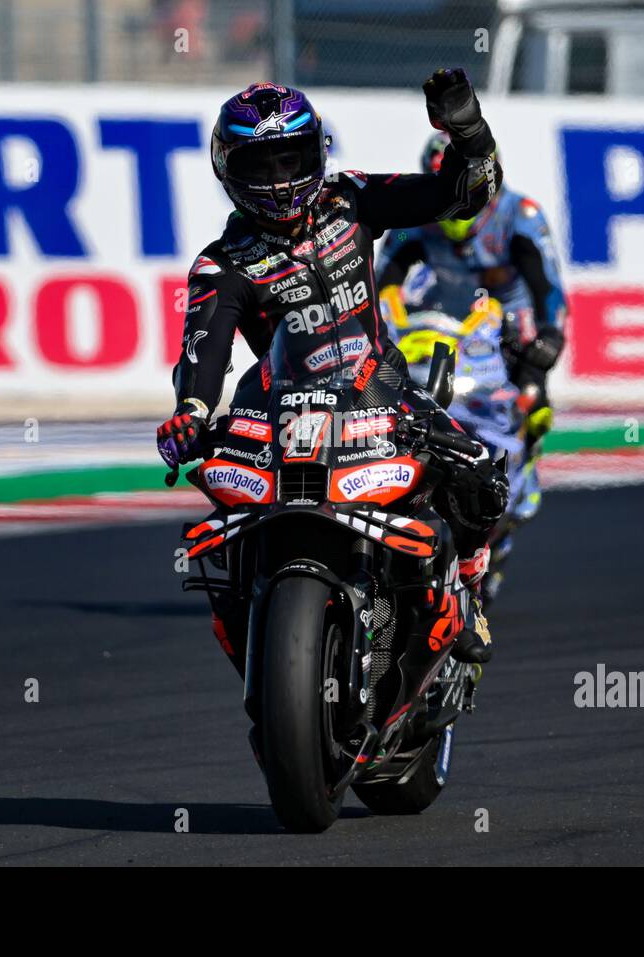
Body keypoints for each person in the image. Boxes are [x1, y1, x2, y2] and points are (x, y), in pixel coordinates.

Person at [156, 71, 509, 665]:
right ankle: (252, 613)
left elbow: (464, 192)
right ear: (228, 171)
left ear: (316, 151)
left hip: (379, 386)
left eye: (290, 158)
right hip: (275, 404)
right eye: (261, 166)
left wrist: (466, 127)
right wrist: (190, 412)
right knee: (220, 497)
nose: (280, 179)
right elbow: (203, 352)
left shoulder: (352, 198)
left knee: (477, 468)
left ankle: (469, 588)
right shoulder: (221, 265)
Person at [377, 132, 568, 454]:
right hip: (445, 315)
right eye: (445, 187)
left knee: (533, 396)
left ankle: (521, 461)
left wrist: (550, 334)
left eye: (467, 188)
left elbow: (547, 286)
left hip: (507, 320)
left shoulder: (521, 215)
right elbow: (380, 280)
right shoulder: (413, 215)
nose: (459, 200)